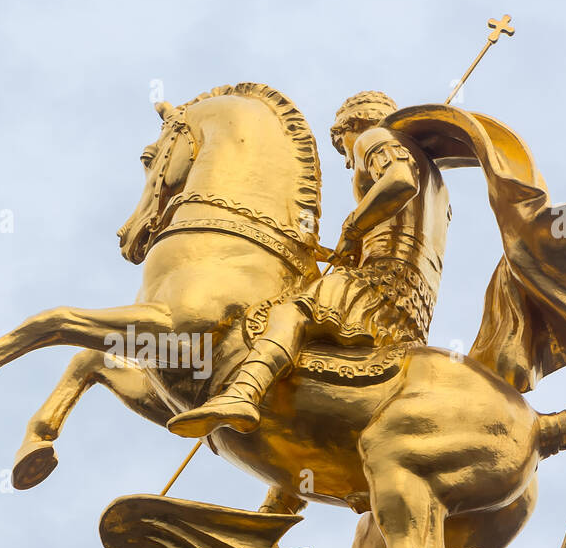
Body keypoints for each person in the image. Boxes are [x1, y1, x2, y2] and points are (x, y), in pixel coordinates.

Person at [167, 91, 450, 438]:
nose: (349, 160)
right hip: (412, 302)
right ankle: (286, 489)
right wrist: (341, 249)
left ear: (353, 125)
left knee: (291, 312)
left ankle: (244, 394)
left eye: (344, 147)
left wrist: (352, 227)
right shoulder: (438, 183)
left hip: (382, 281)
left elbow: (400, 182)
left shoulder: (375, 138)